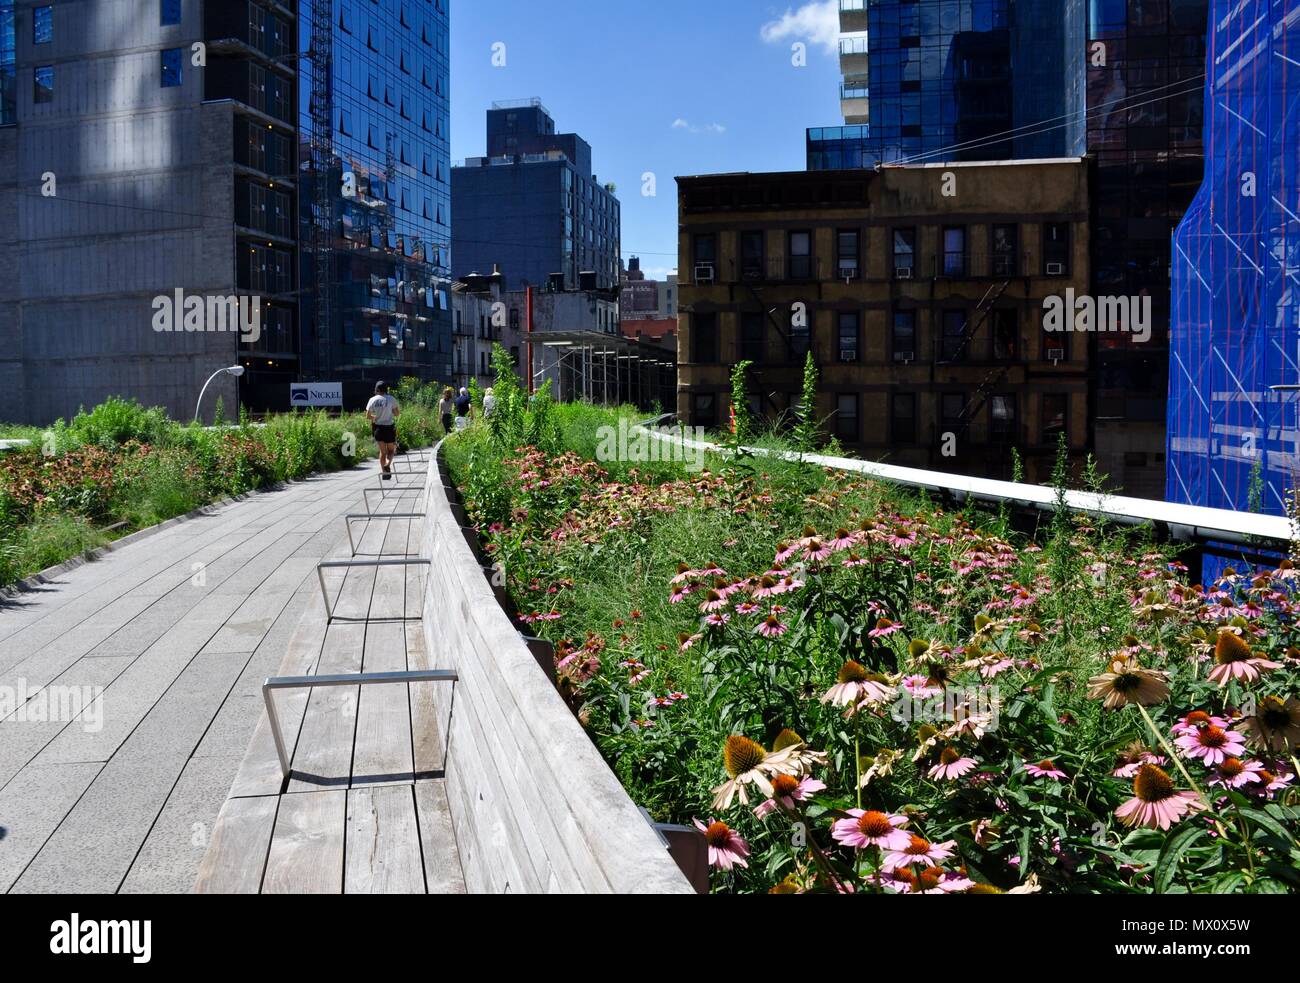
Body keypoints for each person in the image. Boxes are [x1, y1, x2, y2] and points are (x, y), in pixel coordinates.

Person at [366, 381, 401, 480]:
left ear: (377, 389)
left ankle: (384, 473)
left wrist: (375, 417)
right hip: (389, 427)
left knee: (382, 451)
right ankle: (387, 464)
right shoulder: (391, 399)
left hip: (378, 428)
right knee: (391, 450)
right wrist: (389, 412)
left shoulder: (372, 400)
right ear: (386, 389)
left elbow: (368, 416)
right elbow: (397, 413)